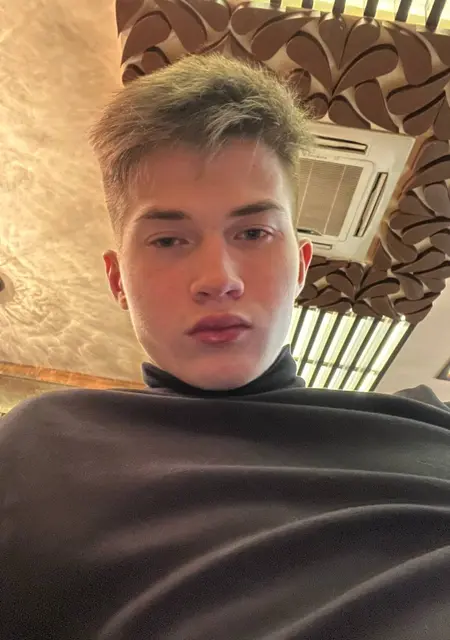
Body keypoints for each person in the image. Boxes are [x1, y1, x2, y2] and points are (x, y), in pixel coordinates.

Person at [1, 54, 450, 640]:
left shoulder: (430, 423)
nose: (219, 278)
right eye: (168, 240)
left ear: (300, 266)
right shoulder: (37, 445)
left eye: (254, 232)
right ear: (117, 281)